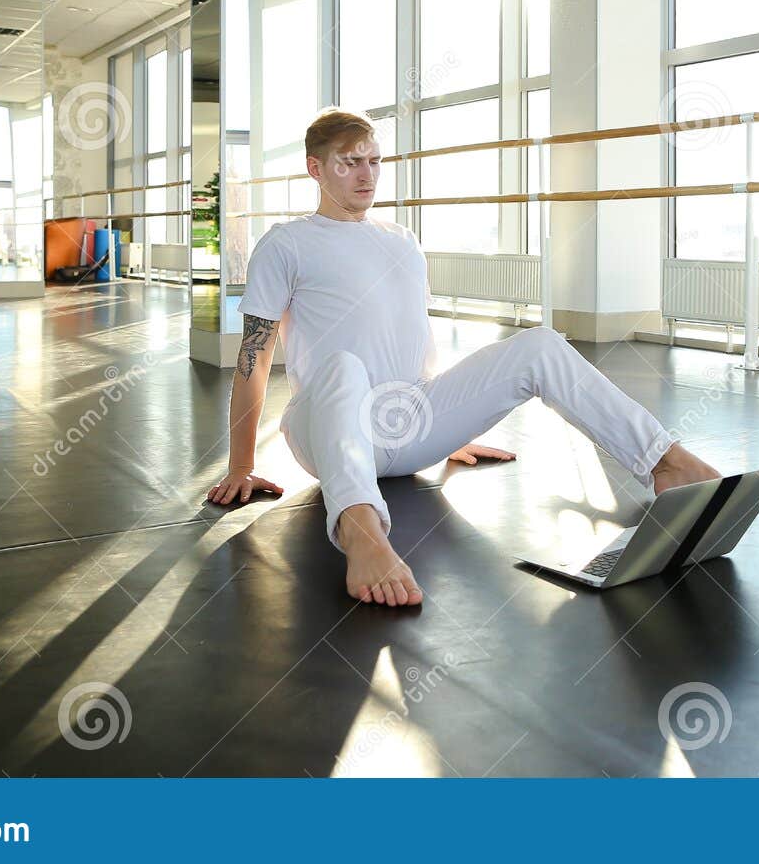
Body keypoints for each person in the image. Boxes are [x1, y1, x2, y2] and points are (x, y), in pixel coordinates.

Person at [207, 109, 721, 606]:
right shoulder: (287, 244)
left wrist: (453, 420)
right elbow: (255, 357)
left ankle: (665, 462)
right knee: (344, 366)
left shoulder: (401, 240)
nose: (367, 175)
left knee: (541, 343)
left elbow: (413, 342)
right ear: (315, 168)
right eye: (350, 162)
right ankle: (362, 534)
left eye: (374, 161)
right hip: (327, 429)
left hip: (411, 422)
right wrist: (242, 465)